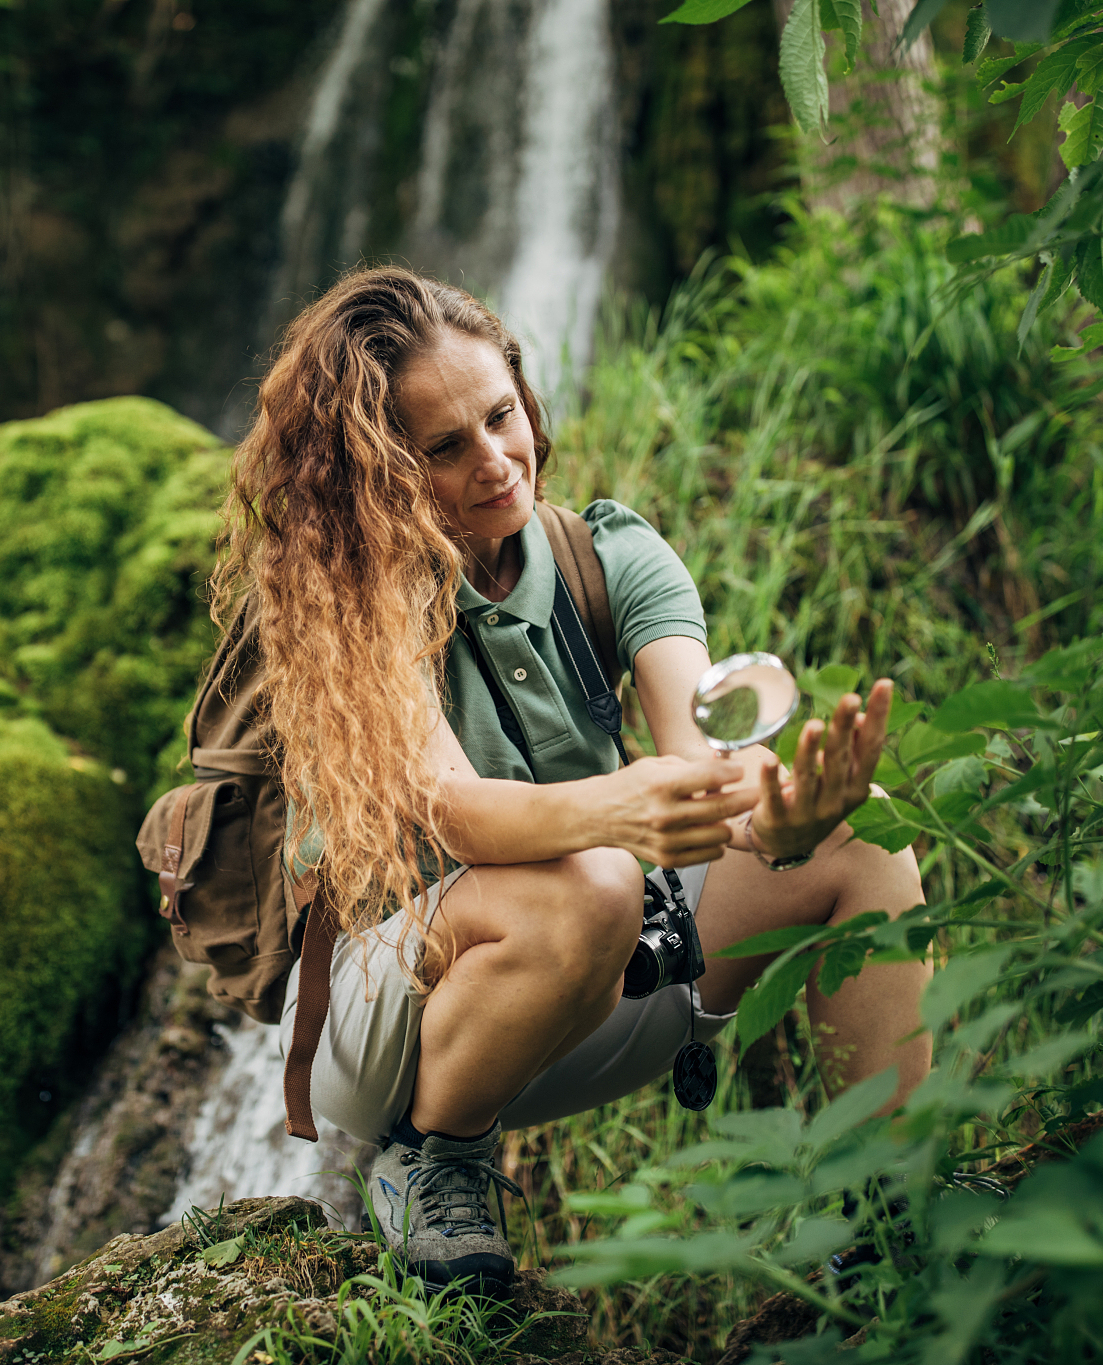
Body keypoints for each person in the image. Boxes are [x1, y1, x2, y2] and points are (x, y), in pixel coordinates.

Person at [212, 267, 931, 1294]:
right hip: (401, 1036)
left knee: (864, 833)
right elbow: (453, 811)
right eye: (443, 449)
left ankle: (893, 1210)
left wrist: (782, 815)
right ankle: (434, 1160)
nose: (495, 461)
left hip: (600, 987)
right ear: (376, 470)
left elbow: (694, 759)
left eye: (500, 416)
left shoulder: (610, 553)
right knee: (589, 879)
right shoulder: (353, 604)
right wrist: (621, 811)